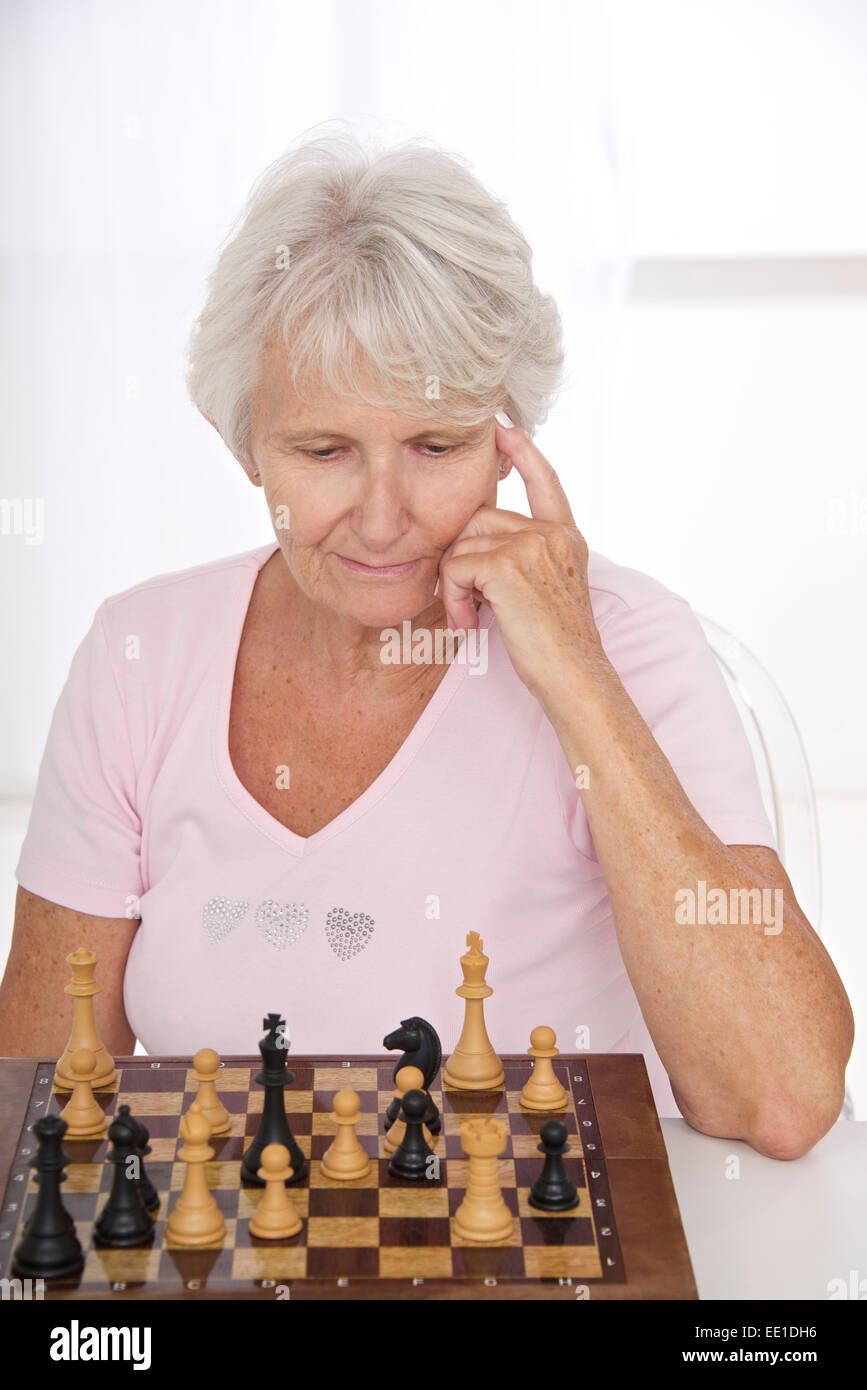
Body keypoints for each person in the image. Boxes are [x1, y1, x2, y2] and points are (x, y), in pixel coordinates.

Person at [0, 128, 853, 1156]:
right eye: (323, 451)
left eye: (437, 446)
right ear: (246, 446)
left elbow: (783, 1099)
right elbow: (34, 1092)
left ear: (511, 436)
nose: (382, 516)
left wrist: (575, 673)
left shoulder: (633, 646)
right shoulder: (138, 654)